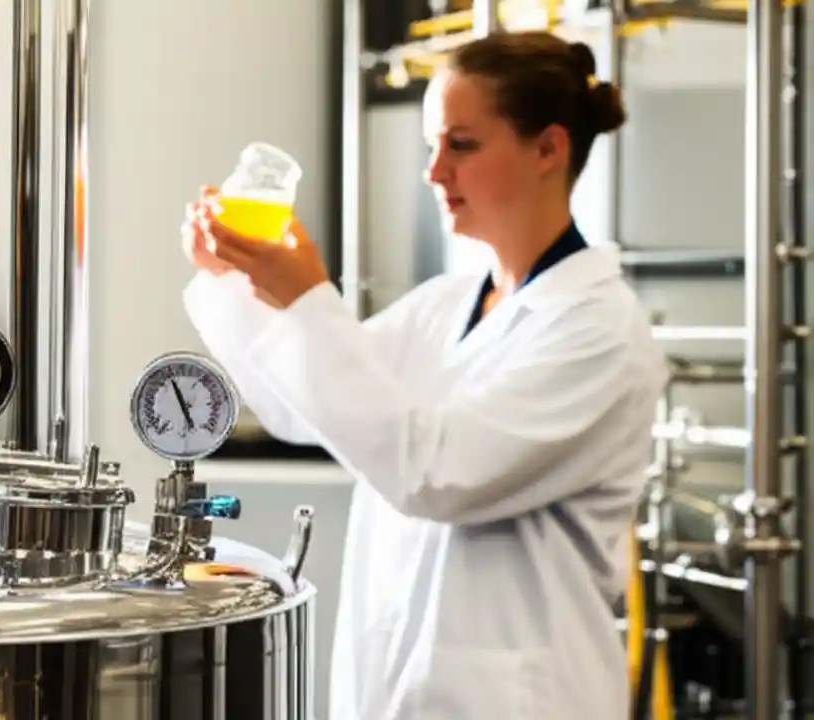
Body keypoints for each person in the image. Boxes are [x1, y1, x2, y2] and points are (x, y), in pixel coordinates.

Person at [180, 31, 668, 719]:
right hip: (397, 685)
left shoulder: (600, 334)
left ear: (549, 149)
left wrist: (310, 300)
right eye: (431, 146)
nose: (435, 172)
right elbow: (305, 410)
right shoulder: (446, 303)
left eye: (461, 145)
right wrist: (234, 279)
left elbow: (431, 473)